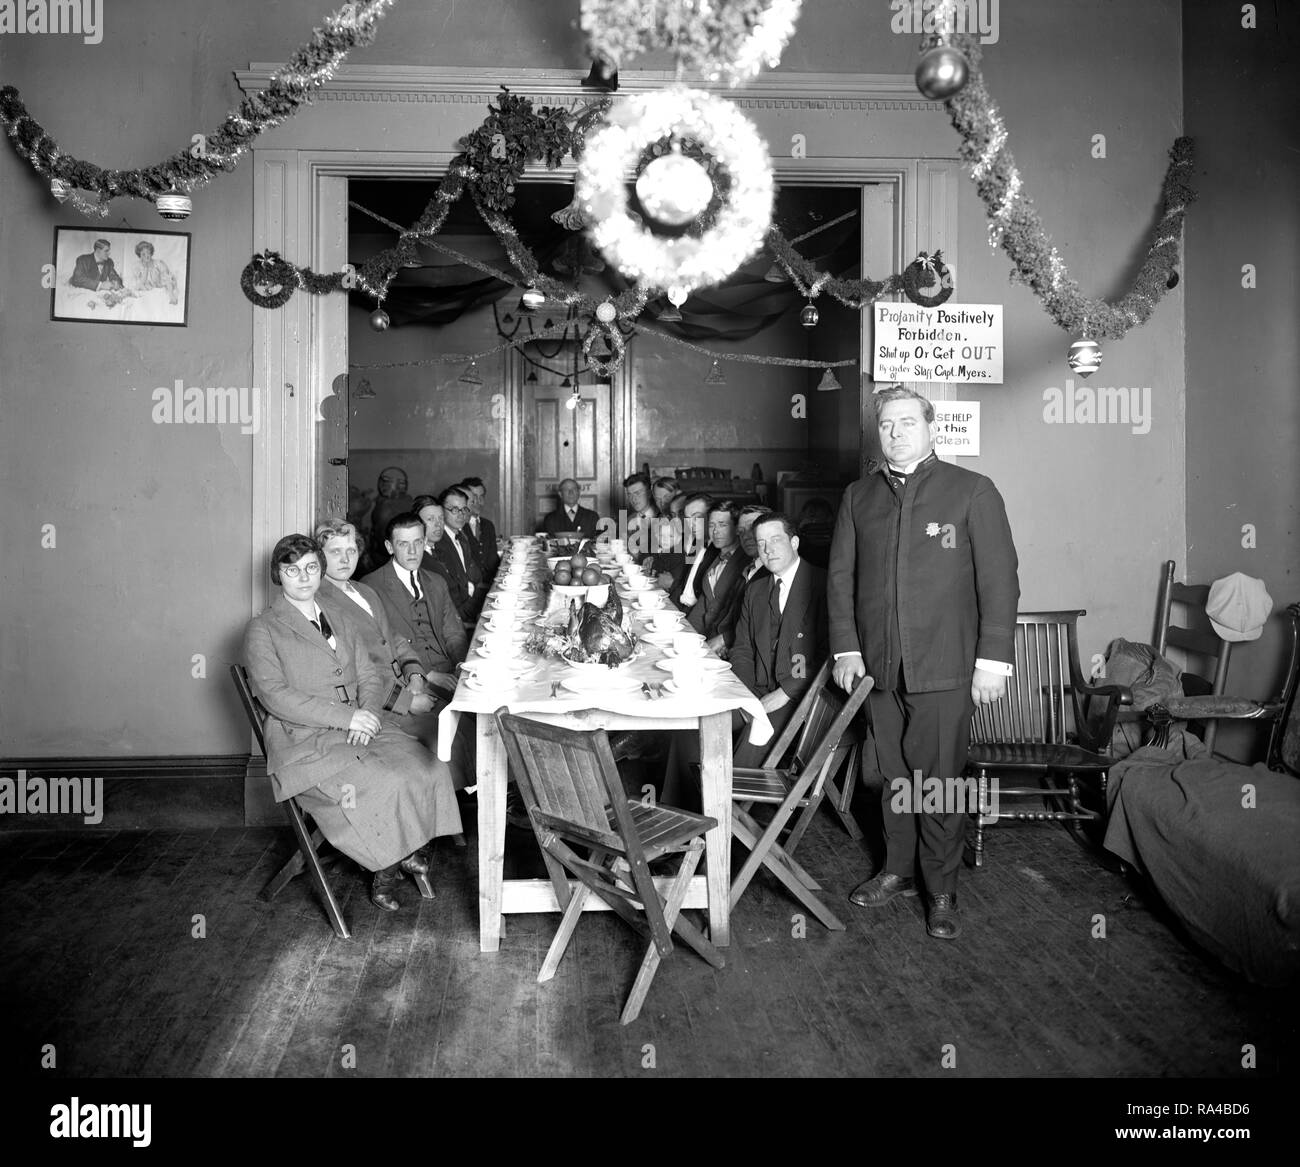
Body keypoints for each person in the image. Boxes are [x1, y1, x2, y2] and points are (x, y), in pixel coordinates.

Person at [830, 386, 1019, 942]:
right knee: (891, 777)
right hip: (880, 669)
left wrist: (993, 662)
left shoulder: (972, 491)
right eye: (887, 425)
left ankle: (941, 888)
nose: (896, 433)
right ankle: (897, 870)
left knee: (938, 782)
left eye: (907, 422)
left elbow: (1000, 581)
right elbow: (840, 581)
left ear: (931, 427)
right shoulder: (858, 497)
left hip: (947, 667)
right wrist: (846, 650)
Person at [243, 533, 462, 912]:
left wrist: (370, 716)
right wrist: (349, 717)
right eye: (291, 570)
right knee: (387, 782)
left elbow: (370, 677)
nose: (303, 577)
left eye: (311, 567)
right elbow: (275, 696)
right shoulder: (263, 628)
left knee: (430, 767)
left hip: (362, 727)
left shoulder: (340, 618)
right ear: (278, 575)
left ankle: (404, 848)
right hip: (307, 744)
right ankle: (386, 868)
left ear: (320, 571)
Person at [729, 513, 828, 765]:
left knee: (748, 745)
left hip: (797, 695)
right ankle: (677, 801)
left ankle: (727, 804)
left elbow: (829, 654)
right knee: (699, 726)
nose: (767, 550)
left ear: (794, 542)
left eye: (775, 540)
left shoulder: (823, 584)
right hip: (755, 690)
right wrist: (747, 693)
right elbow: (742, 649)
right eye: (761, 543)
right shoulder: (756, 589)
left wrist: (785, 692)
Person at [361, 512, 469, 680]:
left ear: (425, 542)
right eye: (403, 544)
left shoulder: (436, 581)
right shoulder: (371, 587)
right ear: (390, 547)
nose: (412, 551)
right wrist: (427, 674)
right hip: (410, 678)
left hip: (448, 668)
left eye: (417, 542)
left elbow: (453, 633)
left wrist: (461, 666)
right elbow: (380, 648)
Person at [685, 500, 749, 656]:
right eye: (712, 525)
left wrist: (723, 640)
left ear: (736, 528)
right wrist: (685, 635)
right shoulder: (714, 556)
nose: (716, 531)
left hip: (725, 646)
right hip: (705, 637)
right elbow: (704, 604)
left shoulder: (746, 561)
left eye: (723, 525)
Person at [427, 485, 485, 624]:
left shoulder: (461, 536)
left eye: (464, 509)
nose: (461, 514)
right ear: (442, 511)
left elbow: (474, 576)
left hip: (469, 603)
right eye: (454, 509)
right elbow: (453, 598)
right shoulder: (438, 542)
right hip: (458, 615)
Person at [668, 492, 714, 608]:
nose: (691, 524)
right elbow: (684, 585)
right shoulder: (696, 543)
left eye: (697, 517)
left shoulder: (718, 552)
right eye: (688, 519)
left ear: (711, 516)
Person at [367, 466, 412, 569]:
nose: (393, 487)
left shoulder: (406, 503)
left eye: (399, 483)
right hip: (380, 555)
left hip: (395, 555)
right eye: (387, 482)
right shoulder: (380, 503)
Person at [459, 476, 500, 581]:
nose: (478, 502)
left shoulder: (488, 525)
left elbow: (493, 562)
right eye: (474, 497)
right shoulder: (458, 527)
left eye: (481, 497)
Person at [129, 240, 179, 304]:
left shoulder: (158, 263)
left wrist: (172, 296)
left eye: (148, 252)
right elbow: (139, 285)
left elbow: (167, 279)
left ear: (151, 252)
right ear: (140, 256)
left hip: (160, 290)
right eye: (143, 254)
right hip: (146, 294)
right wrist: (146, 269)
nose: (146, 255)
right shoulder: (137, 266)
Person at [623, 472, 657, 561]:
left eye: (637, 493)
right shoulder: (629, 520)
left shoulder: (660, 518)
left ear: (649, 493)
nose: (633, 499)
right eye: (630, 495)